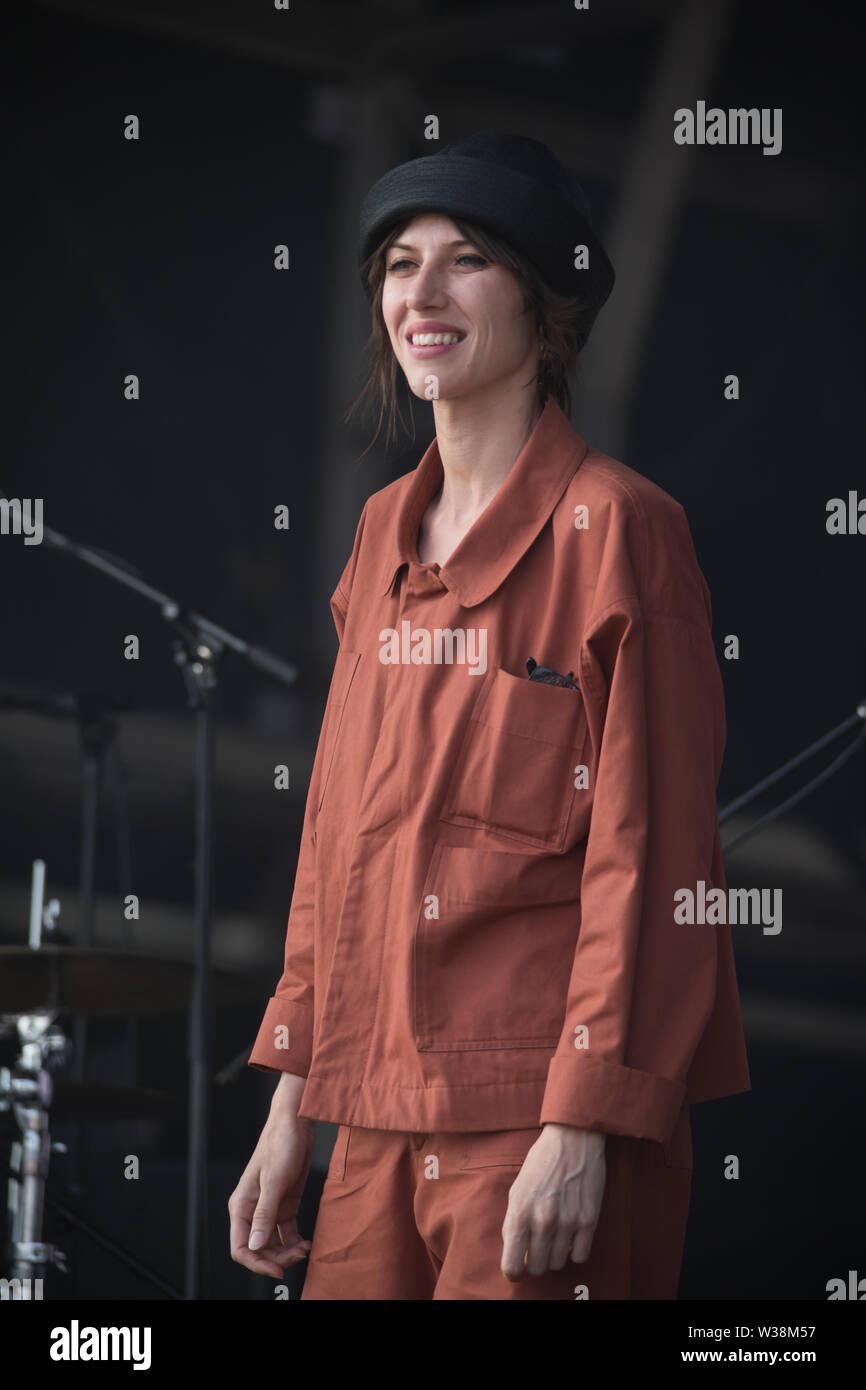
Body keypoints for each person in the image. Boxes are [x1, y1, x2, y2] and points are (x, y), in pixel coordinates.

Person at [228, 133, 751, 1300]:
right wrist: (291, 1098)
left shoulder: (620, 530)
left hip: (534, 1120)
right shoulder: (377, 538)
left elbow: (657, 861)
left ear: (542, 304)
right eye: (397, 263)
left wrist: (585, 1124)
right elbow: (335, 841)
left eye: (463, 260)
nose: (420, 292)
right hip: (365, 1117)